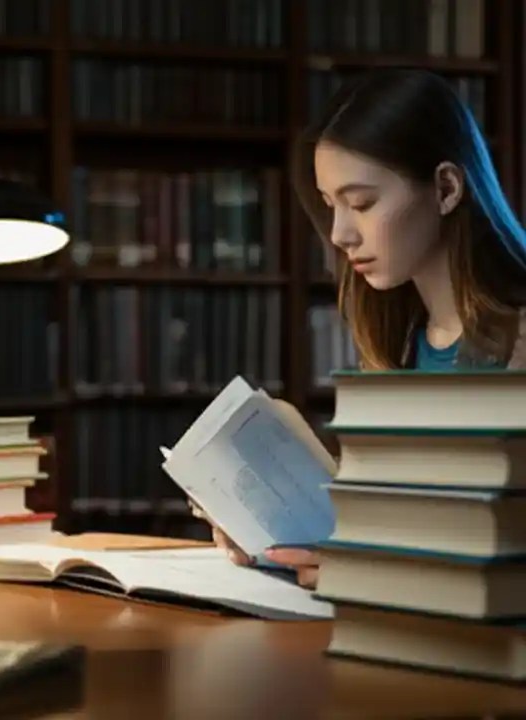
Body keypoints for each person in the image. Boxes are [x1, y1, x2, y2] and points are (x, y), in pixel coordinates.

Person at [201, 68, 526, 588]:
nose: (340, 233)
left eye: (362, 203)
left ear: (446, 188)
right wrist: (277, 538)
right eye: (331, 206)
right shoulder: (393, 346)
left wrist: (375, 569)